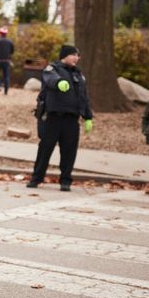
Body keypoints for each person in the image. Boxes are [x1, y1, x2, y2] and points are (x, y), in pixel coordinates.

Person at [27, 44, 93, 191]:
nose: (77, 58)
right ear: (65, 55)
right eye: (74, 54)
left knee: (69, 151)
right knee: (45, 149)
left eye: (78, 55)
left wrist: (88, 117)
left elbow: (83, 98)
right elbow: (50, 79)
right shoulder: (52, 69)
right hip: (53, 117)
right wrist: (59, 82)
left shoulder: (79, 75)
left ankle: (65, 181)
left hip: (71, 119)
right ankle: (36, 179)